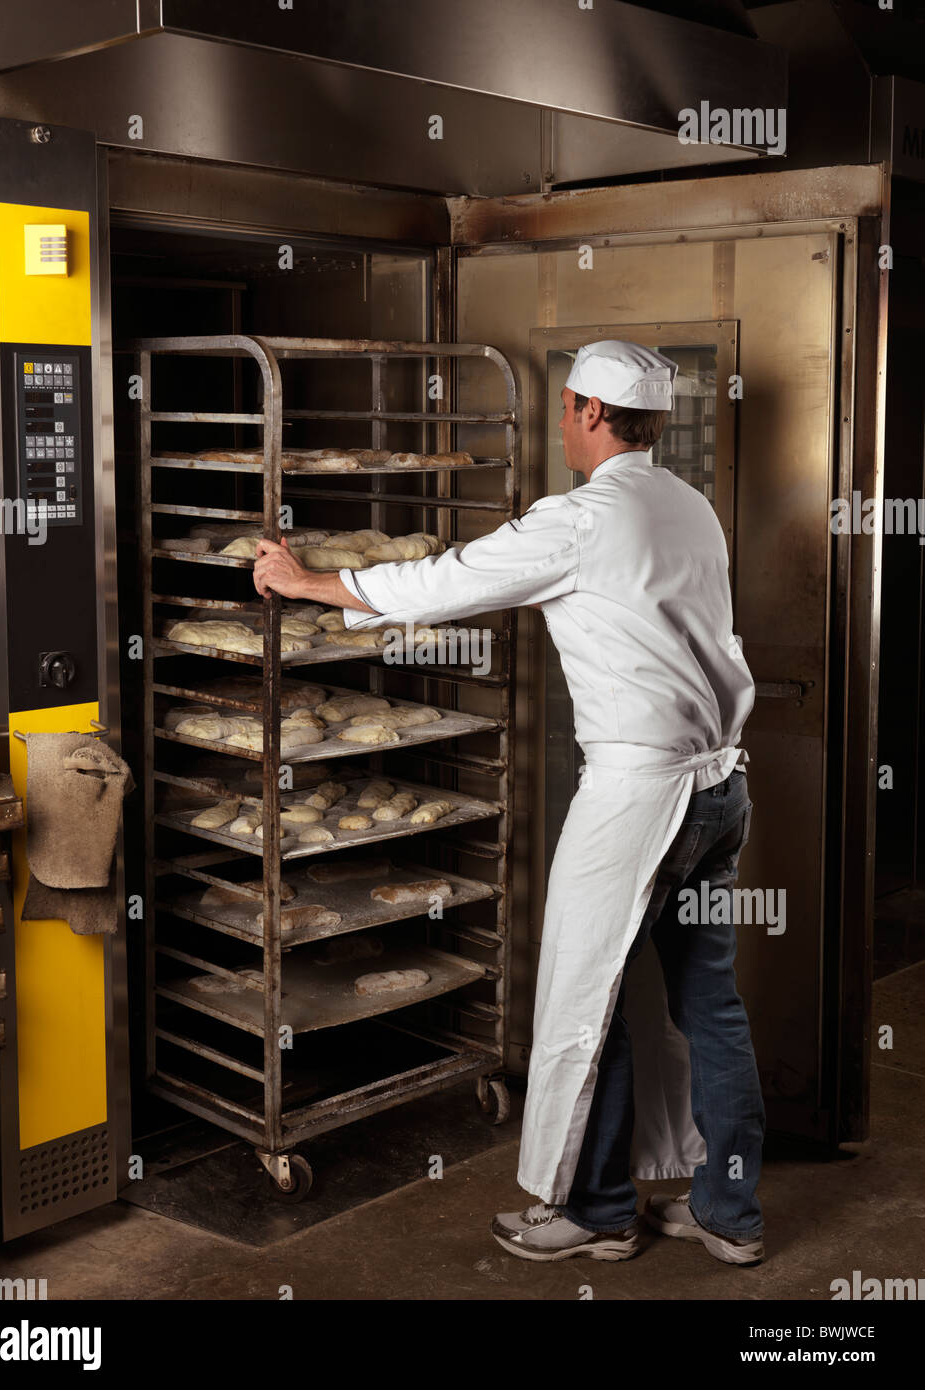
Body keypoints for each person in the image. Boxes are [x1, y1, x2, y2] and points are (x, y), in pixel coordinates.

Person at [253, 340, 766, 1267]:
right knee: (709, 1002)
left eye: (567, 407)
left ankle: (598, 1214)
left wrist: (308, 584)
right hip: (719, 786)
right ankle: (730, 1214)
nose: (562, 422)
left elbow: (445, 582)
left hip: (639, 791)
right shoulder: (689, 505)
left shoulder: (580, 518)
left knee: (585, 998)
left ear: (590, 413)